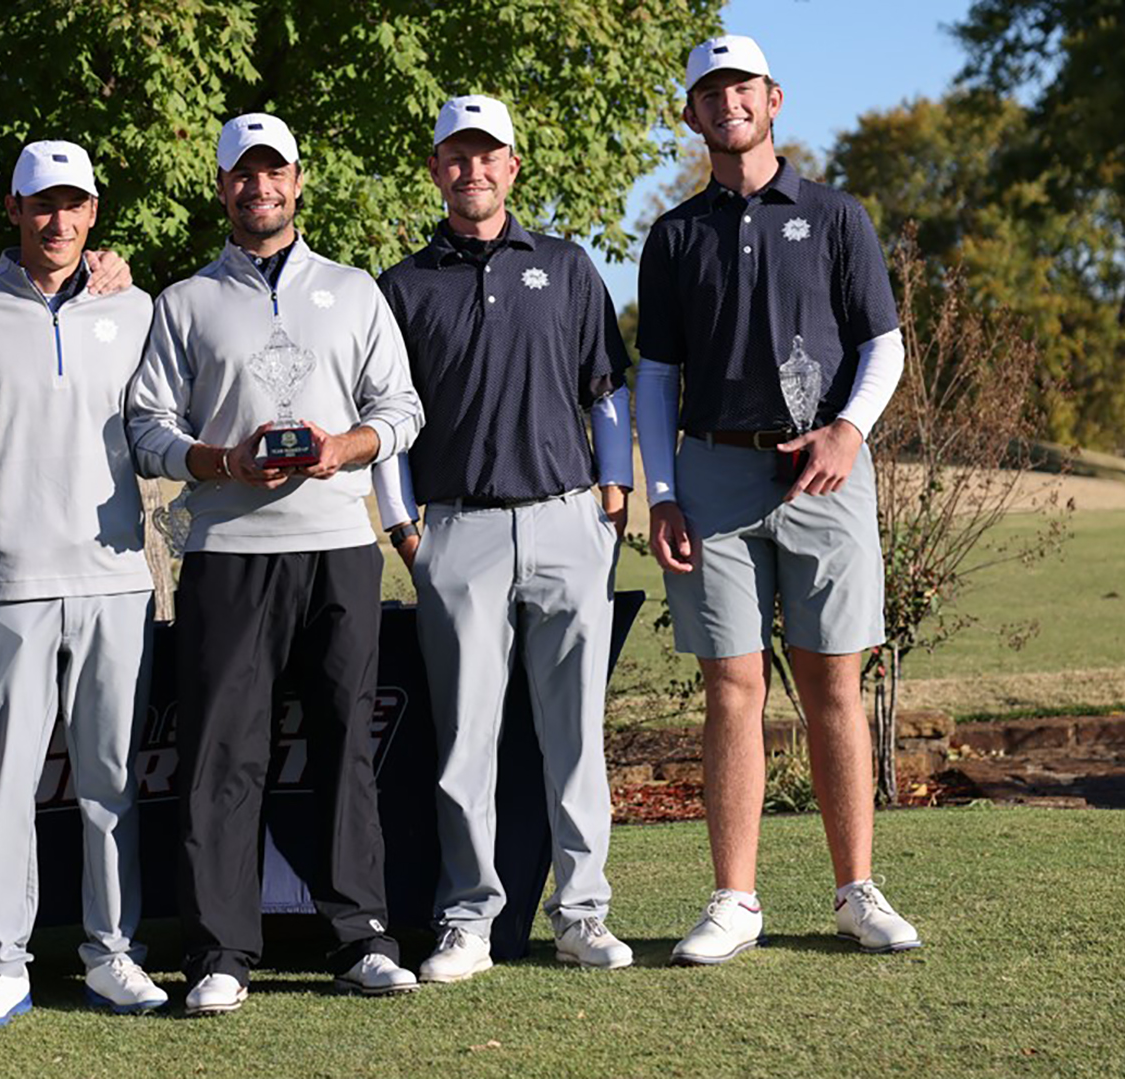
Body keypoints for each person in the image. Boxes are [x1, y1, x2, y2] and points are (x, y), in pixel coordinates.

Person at [126, 112, 424, 1015]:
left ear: (299, 180)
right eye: (243, 174)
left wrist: (347, 446)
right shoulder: (182, 302)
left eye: (275, 172)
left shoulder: (355, 290)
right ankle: (219, 950)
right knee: (223, 753)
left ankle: (361, 933)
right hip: (226, 552)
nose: (260, 187)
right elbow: (147, 429)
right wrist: (220, 461)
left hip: (338, 546)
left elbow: (402, 407)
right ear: (222, 187)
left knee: (345, 745)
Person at [634, 35, 920, 965]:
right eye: (710, 92)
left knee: (837, 682)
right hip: (713, 473)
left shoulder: (837, 216)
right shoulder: (676, 236)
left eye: (743, 87)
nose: (728, 103)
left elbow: (884, 344)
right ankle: (734, 900)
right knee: (732, 688)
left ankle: (855, 890)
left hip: (824, 471)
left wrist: (850, 430)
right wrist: (664, 490)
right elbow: (656, 375)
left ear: (775, 98)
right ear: (693, 114)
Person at [371, 94, 635, 981]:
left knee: (574, 737)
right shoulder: (402, 286)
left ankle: (583, 912)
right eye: (457, 155)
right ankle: (469, 918)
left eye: (488, 155)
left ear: (513, 166)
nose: (472, 169)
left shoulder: (563, 266)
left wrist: (615, 492)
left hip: (567, 521)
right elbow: (387, 420)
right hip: (458, 531)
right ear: (436, 167)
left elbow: (605, 386)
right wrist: (403, 527)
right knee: (465, 742)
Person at [0, 140, 167, 1027]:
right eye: (41, 204)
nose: (58, 220)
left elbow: (157, 432)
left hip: (113, 585)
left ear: (93, 213)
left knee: (109, 781)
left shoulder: (136, 309)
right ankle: (1, 962)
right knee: (6, 785)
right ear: (14, 211)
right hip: (6, 589)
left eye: (74, 205)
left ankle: (112, 953)